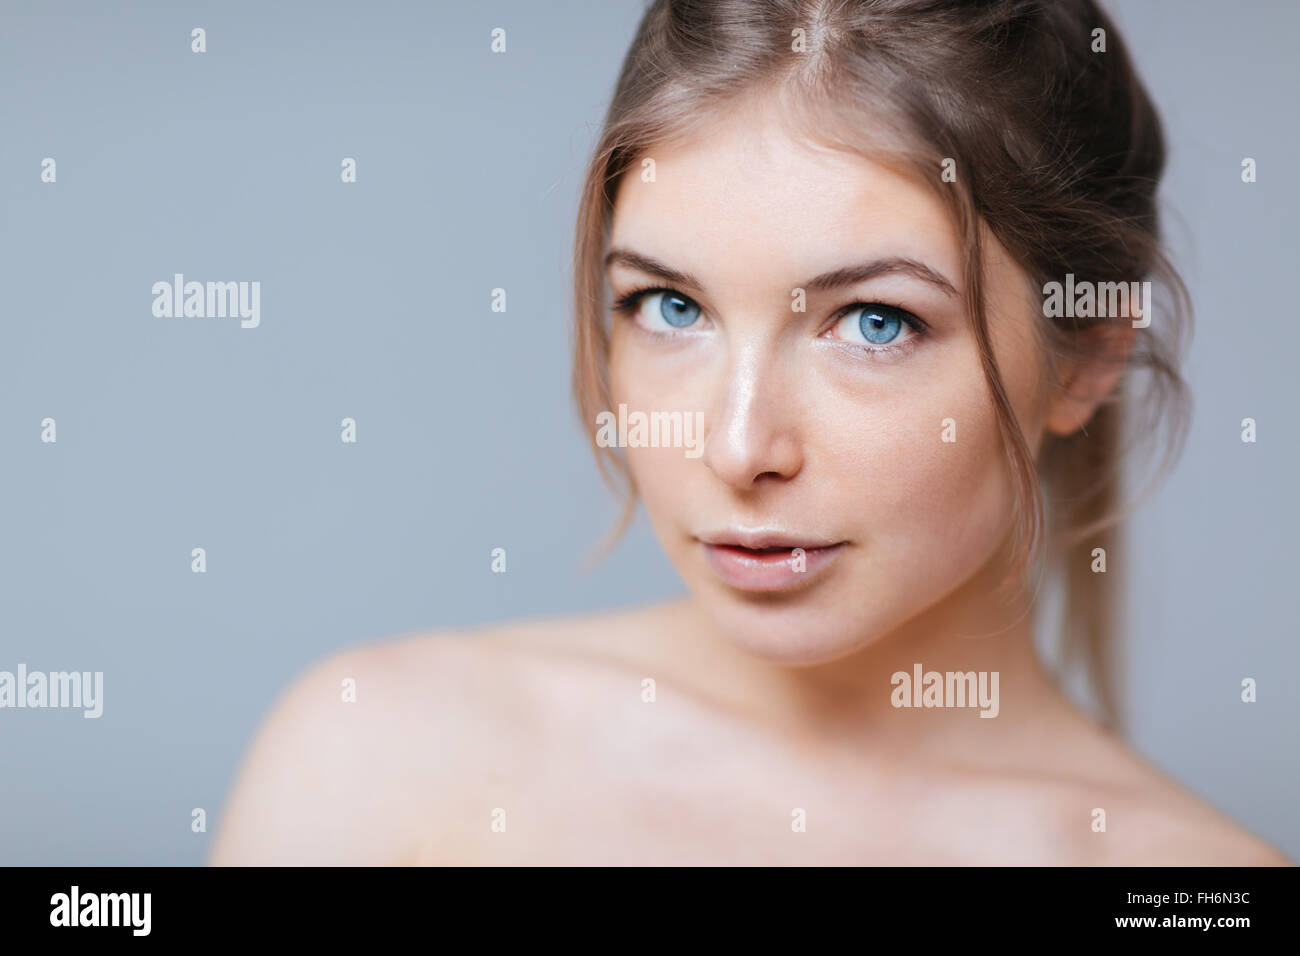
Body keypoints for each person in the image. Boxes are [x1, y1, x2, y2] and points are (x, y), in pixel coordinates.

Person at [210, 0, 1291, 865]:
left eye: (874, 323)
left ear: (1089, 354)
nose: (736, 448)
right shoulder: (383, 750)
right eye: (669, 306)